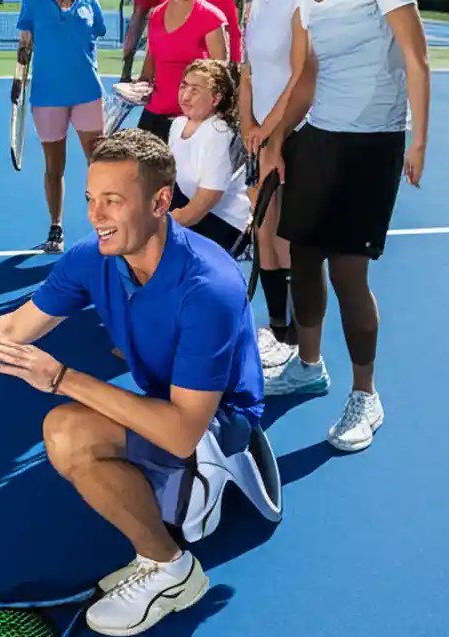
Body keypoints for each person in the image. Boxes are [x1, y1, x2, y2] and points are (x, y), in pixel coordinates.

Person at [0, 130, 265, 637]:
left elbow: (181, 431)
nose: (96, 215)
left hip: (216, 422)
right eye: (91, 199)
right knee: (74, 431)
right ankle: (173, 500)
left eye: (114, 200)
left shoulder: (209, 288)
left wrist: (64, 379)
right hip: (168, 401)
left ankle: (173, 570)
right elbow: (11, 330)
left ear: (161, 201)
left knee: (67, 431)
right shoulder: (95, 258)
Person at [262, 0, 430, 452]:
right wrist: (276, 140)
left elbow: (417, 59)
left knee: (348, 272)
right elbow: (307, 79)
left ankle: (365, 396)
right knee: (303, 253)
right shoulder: (307, 6)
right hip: (320, 138)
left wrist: (419, 141)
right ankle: (308, 366)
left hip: (374, 145)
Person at [16, 0, 109, 253]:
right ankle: (55, 226)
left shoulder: (90, 3)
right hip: (47, 97)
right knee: (54, 167)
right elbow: (25, 44)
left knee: (99, 165)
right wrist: (18, 78)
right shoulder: (33, 4)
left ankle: (106, 224)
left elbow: (97, 33)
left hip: (87, 93)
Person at [239, 0, 301, 370]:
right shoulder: (253, 5)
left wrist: (271, 131)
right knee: (264, 230)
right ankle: (277, 327)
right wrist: (248, 124)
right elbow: (247, 71)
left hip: (295, 133)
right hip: (260, 136)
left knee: (285, 236)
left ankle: (294, 336)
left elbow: (299, 76)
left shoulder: (299, 6)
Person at [168, 59, 251, 253]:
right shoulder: (178, 124)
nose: (185, 96)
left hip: (224, 223)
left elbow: (206, 200)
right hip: (194, 209)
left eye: (195, 90)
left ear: (216, 99)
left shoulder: (218, 132)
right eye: (183, 86)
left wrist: (160, 223)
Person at [136, 0, 230, 141]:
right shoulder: (156, 14)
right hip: (154, 113)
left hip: (192, 118)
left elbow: (221, 72)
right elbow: (151, 57)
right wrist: (139, 85)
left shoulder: (211, 16)